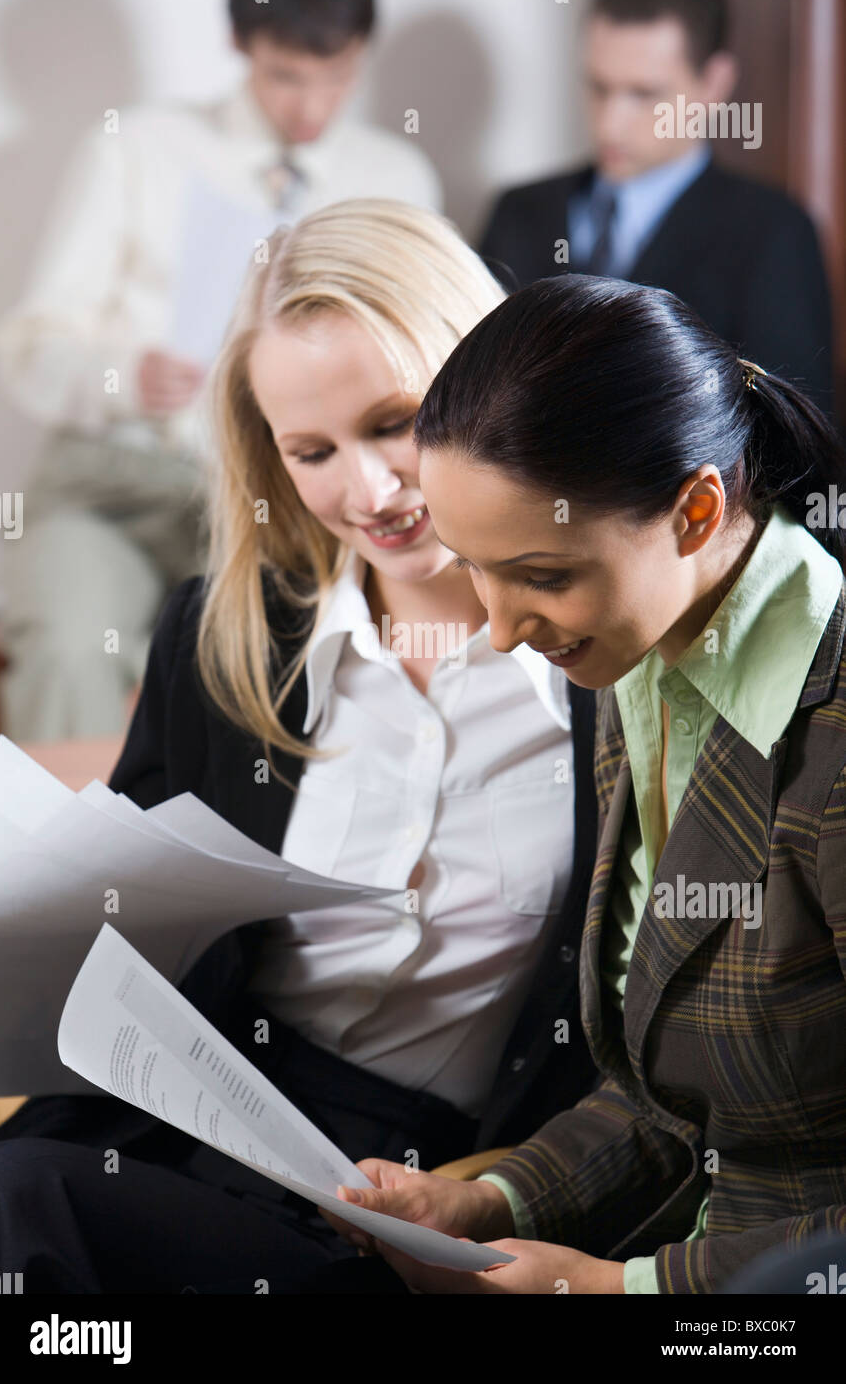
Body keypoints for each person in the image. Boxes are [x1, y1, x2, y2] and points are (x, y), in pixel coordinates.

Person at [0, 202, 599, 1295]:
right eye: (311, 451)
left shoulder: (600, 667)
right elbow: (126, 940)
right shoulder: (225, 634)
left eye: (395, 421)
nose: (366, 492)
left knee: (22, 1208)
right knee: (19, 1195)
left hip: (400, 1185)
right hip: (174, 1109)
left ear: (488, 381)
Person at [317, 272, 846, 1295]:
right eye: (470, 566)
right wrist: (490, 1200)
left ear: (695, 511)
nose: (498, 627)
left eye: (541, 575)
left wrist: (617, 1291)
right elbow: (665, 1103)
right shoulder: (640, 660)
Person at [0, 0, 441, 741]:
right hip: (111, 478)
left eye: (336, 78)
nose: (311, 108)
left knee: (272, 661)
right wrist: (123, 375)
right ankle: (74, 855)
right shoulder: (137, 146)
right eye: (285, 77)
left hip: (274, 495)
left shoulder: (396, 177)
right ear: (238, 42)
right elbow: (26, 349)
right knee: (71, 651)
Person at [479, 0, 834, 416]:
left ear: (714, 84)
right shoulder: (518, 212)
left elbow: (794, 438)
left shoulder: (773, 234)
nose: (610, 122)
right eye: (598, 87)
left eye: (644, 94)